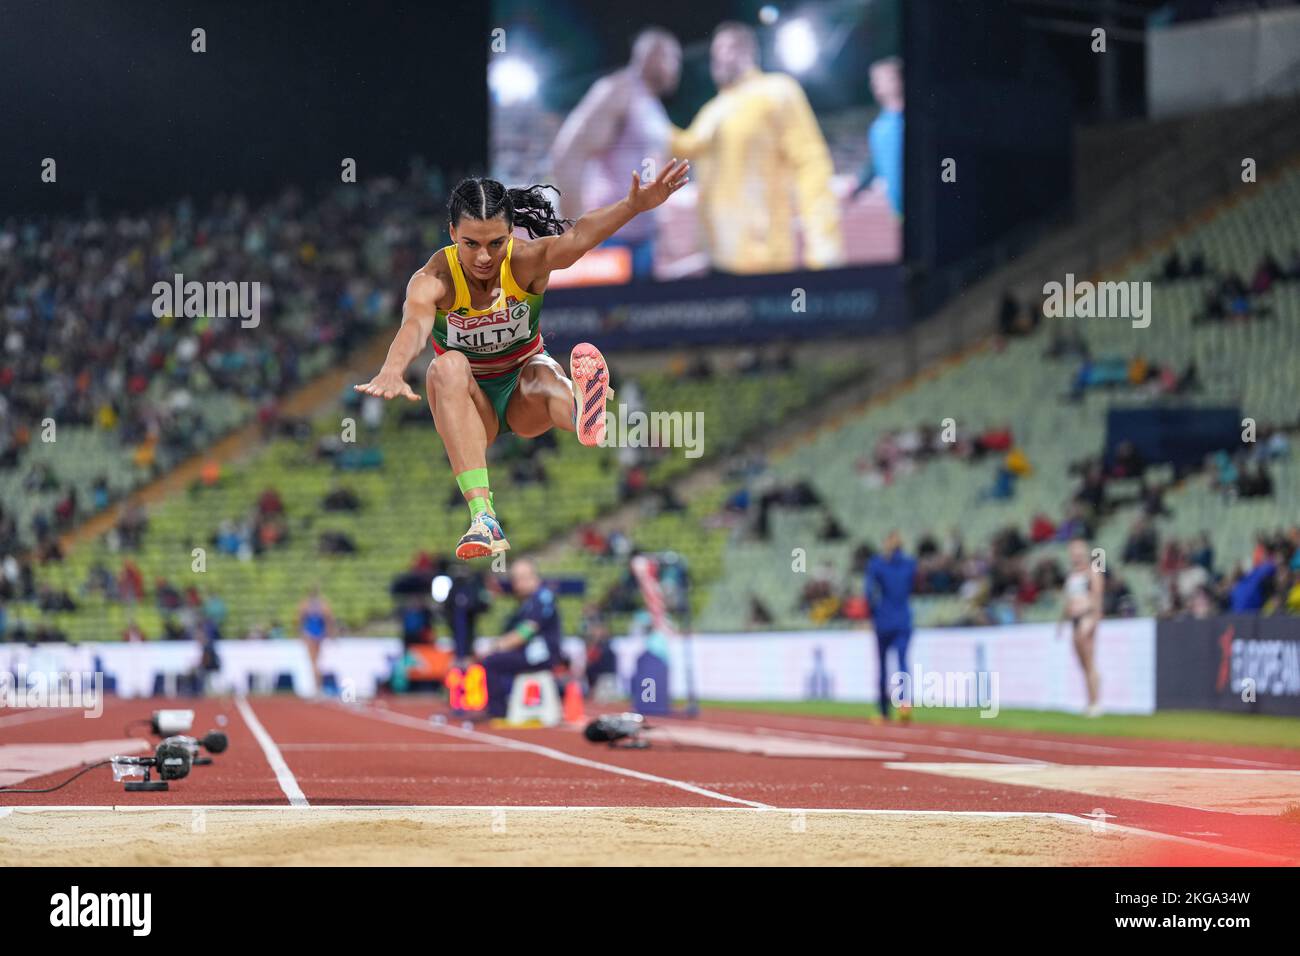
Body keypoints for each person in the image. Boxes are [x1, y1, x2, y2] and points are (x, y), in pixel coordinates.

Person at [355, 166, 689, 560]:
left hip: (523, 394)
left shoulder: (527, 261)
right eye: (471, 244)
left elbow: (579, 236)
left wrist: (634, 205)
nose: (483, 256)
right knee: (445, 367)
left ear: (511, 234)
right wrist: (392, 369)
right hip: (474, 408)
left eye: (496, 243)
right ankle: (483, 518)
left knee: (543, 372)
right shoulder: (433, 278)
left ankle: (584, 413)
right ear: (451, 235)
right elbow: (414, 326)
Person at [670, 21, 843, 274]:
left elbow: (811, 163)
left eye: (726, 48)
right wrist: (645, 116)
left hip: (763, 260)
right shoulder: (714, 108)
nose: (717, 58)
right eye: (715, 52)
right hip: (717, 259)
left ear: (747, 51)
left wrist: (823, 247)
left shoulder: (777, 90)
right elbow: (687, 145)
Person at [549, 28, 682, 281]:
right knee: (610, 319)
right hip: (612, 239)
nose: (677, 67)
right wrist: (576, 234)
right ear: (650, 56)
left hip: (644, 240)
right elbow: (567, 154)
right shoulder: (618, 90)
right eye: (672, 58)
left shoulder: (650, 103)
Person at [479, 558, 562, 719]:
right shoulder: (527, 601)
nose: (518, 584)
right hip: (530, 653)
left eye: (523, 578)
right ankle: (505, 705)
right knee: (498, 660)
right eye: (516, 579)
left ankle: (498, 712)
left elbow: (526, 632)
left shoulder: (542, 598)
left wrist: (497, 646)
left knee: (492, 662)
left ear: (535, 577)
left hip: (542, 655)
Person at [866, 530, 917, 723]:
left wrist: (873, 614)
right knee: (903, 663)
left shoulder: (877, 564)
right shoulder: (909, 564)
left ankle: (883, 711)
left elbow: (869, 592)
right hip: (904, 619)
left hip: (884, 620)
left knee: (882, 666)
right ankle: (904, 705)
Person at [1057, 539, 1104, 717]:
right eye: (1072, 552)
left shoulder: (1093, 571)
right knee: (1082, 663)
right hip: (1074, 619)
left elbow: (1097, 597)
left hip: (1087, 616)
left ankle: (1096, 703)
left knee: (1090, 660)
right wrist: (1061, 623)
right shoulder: (1071, 575)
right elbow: (1067, 601)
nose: (1075, 555)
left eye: (1078, 552)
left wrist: (1095, 620)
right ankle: (1090, 701)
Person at [299, 585, 336, 694]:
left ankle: (317, 688)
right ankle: (317, 687)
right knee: (317, 662)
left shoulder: (305, 604)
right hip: (319, 635)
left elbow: (300, 620)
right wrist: (328, 633)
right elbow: (329, 620)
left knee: (314, 663)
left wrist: (302, 634)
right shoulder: (323, 605)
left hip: (311, 635)